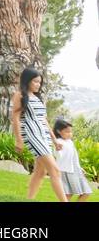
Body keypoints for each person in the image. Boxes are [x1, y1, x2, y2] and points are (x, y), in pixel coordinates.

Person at [11, 68, 67, 202]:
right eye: (35, 81)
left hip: (43, 135)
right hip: (31, 134)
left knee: (41, 172)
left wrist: (54, 140)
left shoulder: (37, 97)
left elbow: (44, 120)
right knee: (55, 170)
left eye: (39, 82)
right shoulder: (20, 95)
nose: (38, 85)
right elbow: (15, 118)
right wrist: (19, 140)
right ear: (27, 80)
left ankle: (28, 199)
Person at [53, 118, 92, 202]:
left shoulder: (70, 142)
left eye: (71, 131)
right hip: (65, 171)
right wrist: (57, 148)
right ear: (59, 131)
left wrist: (79, 168)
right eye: (67, 132)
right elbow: (57, 155)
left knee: (86, 192)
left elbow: (74, 157)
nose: (70, 134)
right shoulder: (58, 142)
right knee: (68, 194)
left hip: (74, 169)